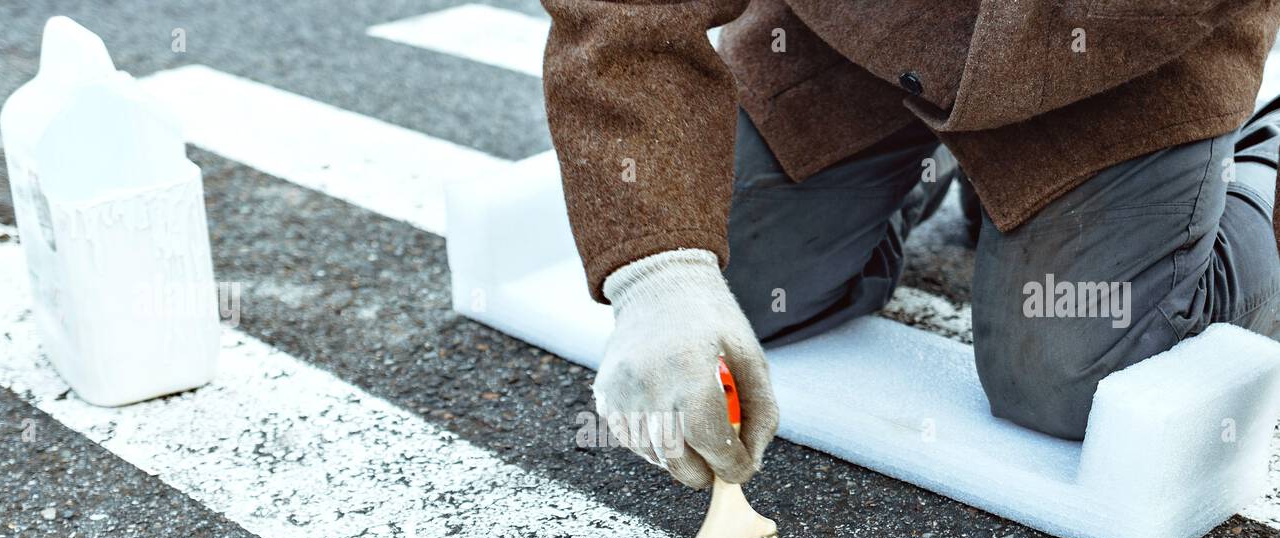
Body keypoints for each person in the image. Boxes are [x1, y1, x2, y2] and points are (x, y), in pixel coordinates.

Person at [540, 0, 1280, 489]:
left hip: (1121, 54)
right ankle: (942, 158)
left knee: (1066, 375)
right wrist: (658, 273)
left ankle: (1258, 162)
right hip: (864, 28)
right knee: (732, 268)